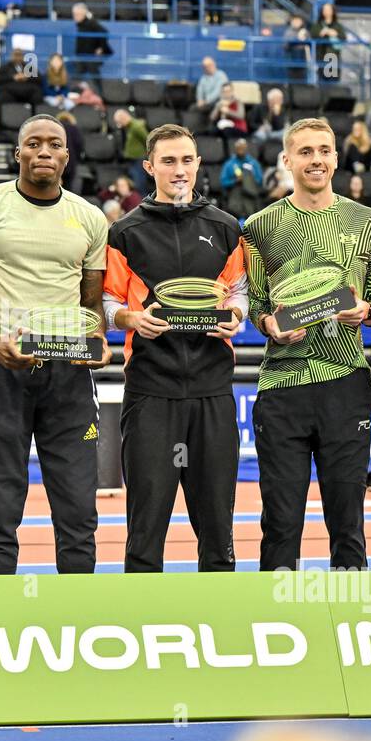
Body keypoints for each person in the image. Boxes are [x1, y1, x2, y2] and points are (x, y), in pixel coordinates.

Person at [0, 115, 111, 574]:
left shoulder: (90, 217)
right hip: (3, 369)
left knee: (79, 507)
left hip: (69, 375)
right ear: (17, 152)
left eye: (54, 144)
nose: (44, 151)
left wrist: (97, 340)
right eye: (33, 143)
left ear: (66, 155)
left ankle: (77, 612)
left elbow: (91, 304)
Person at [243, 118, 371, 572]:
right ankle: (275, 622)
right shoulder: (259, 227)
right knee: (281, 522)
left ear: (336, 158)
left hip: (345, 382)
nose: (316, 160)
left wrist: (364, 310)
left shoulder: (366, 221)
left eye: (324, 150)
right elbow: (254, 304)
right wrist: (270, 324)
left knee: (348, 522)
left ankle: (347, 625)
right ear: (287, 160)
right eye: (305, 152)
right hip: (282, 386)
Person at [103, 125, 246, 571]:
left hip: (212, 391)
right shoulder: (125, 232)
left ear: (199, 163)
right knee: (145, 528)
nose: (179, 170)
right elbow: (107, 302)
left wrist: (237, 316)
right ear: (149, 167)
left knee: (218, 530)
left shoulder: (225, 228)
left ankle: (223, 625)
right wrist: (130, 318)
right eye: (168, 161)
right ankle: (144, 626)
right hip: (150, 392)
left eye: (187, 160)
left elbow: (238, 290)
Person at [72, 3, 112, 91]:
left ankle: (100, 94)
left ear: (83, 13)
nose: (75, 17)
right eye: (74, 14)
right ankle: (75, 94)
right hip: (82, 56)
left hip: (90, 57)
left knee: (92, 74)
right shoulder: (81, 25)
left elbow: (104, 32)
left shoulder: (91, 22)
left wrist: (101, 48)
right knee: (78, 75)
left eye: (77, 14)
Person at [114, 108, 150, 190]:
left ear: (124, 118)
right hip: (132, 160)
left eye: (119, 122)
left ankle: (142, 201)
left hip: (138, 159)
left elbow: (147, 140)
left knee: (139, 183)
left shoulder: (136, 126)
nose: (119, 125)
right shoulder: (129, 127)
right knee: (134, 182)